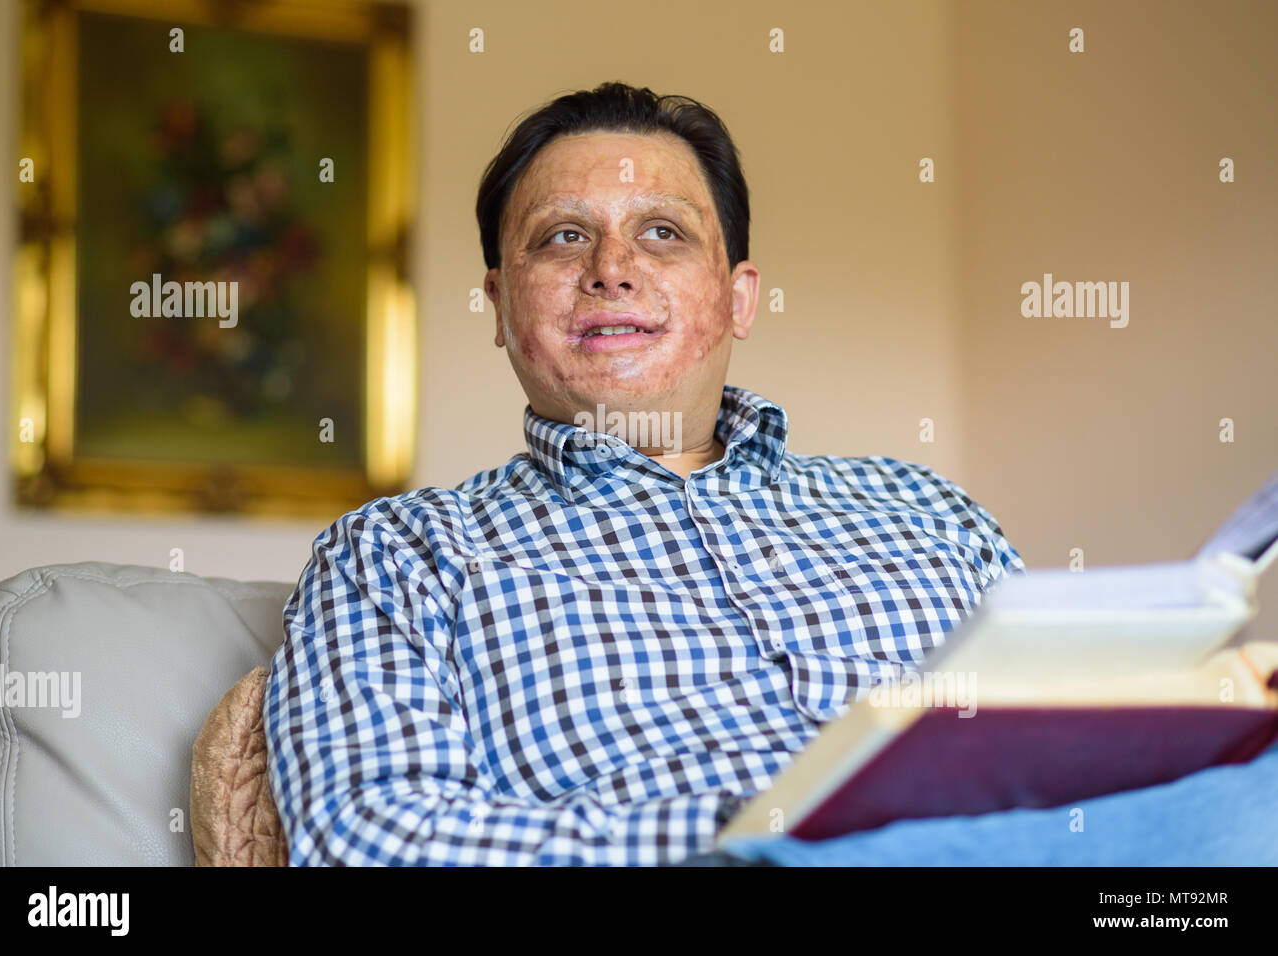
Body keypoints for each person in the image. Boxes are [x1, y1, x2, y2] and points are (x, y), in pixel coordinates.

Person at [262, 81, 1026, 865]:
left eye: (662, 232)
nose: (611, 270)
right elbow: (372, 839)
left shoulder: (931, 512)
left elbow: (1102, 752)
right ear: (498, 304)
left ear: (738, 299)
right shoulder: (398, 554)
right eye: (562, 237)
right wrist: (776, 834)